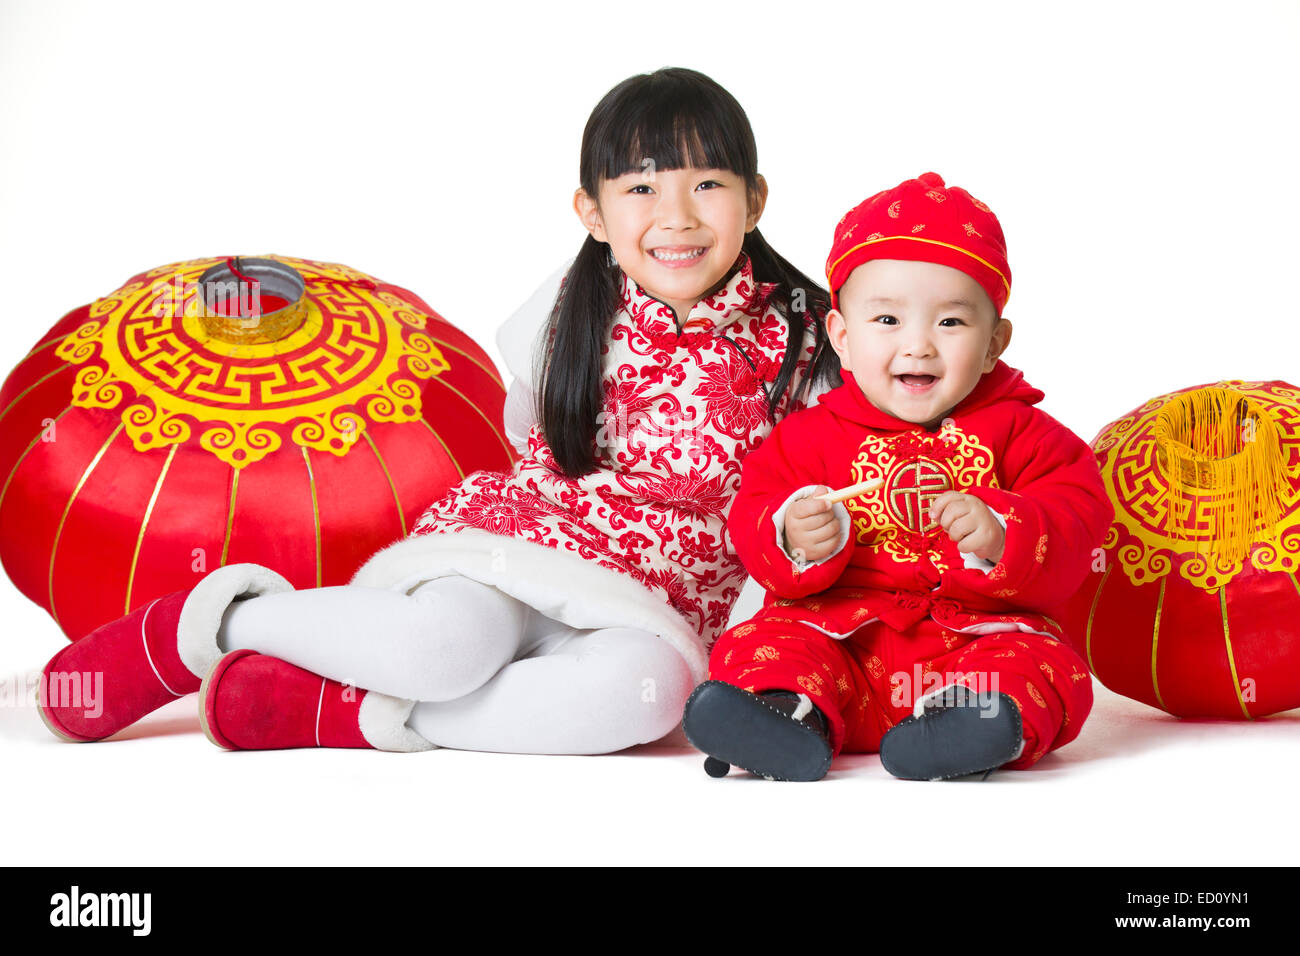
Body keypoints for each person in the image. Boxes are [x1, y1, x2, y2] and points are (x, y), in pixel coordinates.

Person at [37, 67, 838, 756]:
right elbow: (527, 425)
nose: (677, 216)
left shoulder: (808, 334)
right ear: (592, 213)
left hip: (660, 605)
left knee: (647, 699)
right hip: (531, 546)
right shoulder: (575, 304)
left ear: (755, 198)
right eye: (640, 188)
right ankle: (213, 624)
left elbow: (823, 472)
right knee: (443, 649)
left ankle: (346, 710)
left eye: (708, 184)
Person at [681, 172, 1114, 781]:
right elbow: (751, 516)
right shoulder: (809, 436)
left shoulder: (1030, 437)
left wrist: (1001, 533)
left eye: (950, 323)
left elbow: (1078, 524)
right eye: (886, 321)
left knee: (1047, 664)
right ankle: (785, 716)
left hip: (976, 641)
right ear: (841, 337)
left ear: (995, 343)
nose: (918, 346)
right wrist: (792, 535)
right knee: (764, 642)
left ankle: (969, 728)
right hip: (841, 646)